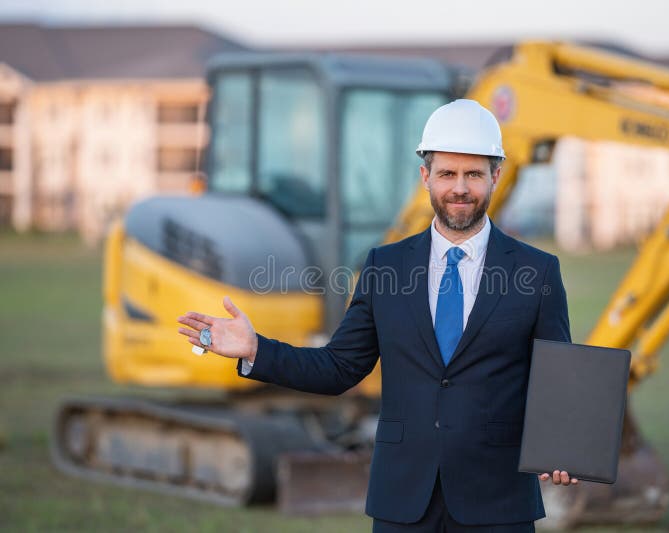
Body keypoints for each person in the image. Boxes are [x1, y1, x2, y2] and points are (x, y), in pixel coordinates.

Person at [178, 99, 577, 532]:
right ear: (426, 177)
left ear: (495, 176)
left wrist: (563, 448)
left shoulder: (537, 271)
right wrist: (258, 350)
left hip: (499, 504)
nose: (459, 188)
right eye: (447, 173)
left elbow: (557, 378)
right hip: (404, 502)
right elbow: (339, 368)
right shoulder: (385, 267)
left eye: (473, 174)